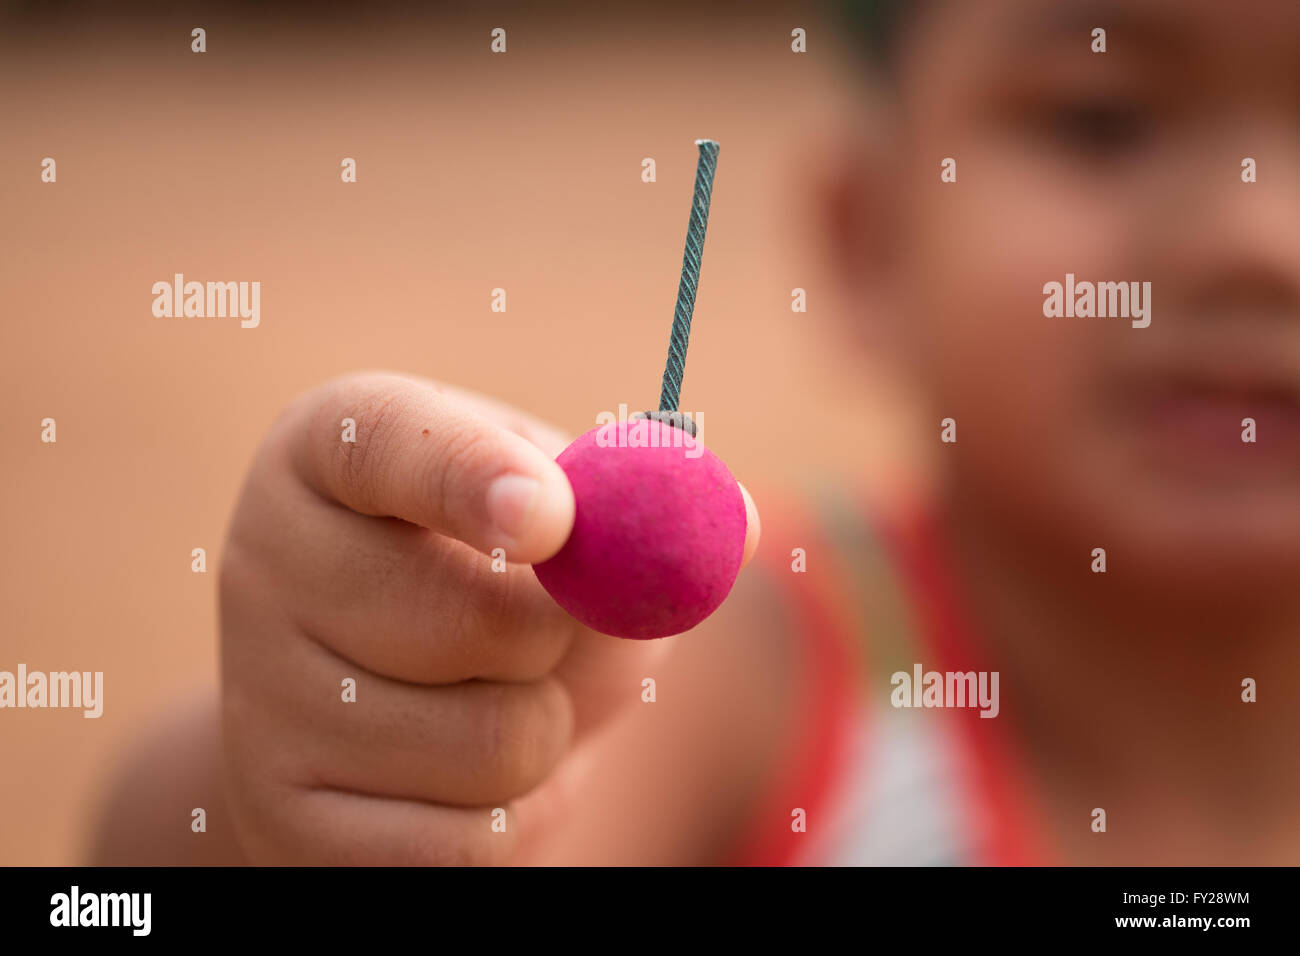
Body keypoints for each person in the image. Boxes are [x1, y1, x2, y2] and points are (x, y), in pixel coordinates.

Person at [90, 0, 1300, 865]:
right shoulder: (748, 663)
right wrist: (275, 794)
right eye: (1104, 119)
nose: (1256, 238)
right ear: (867, 240)